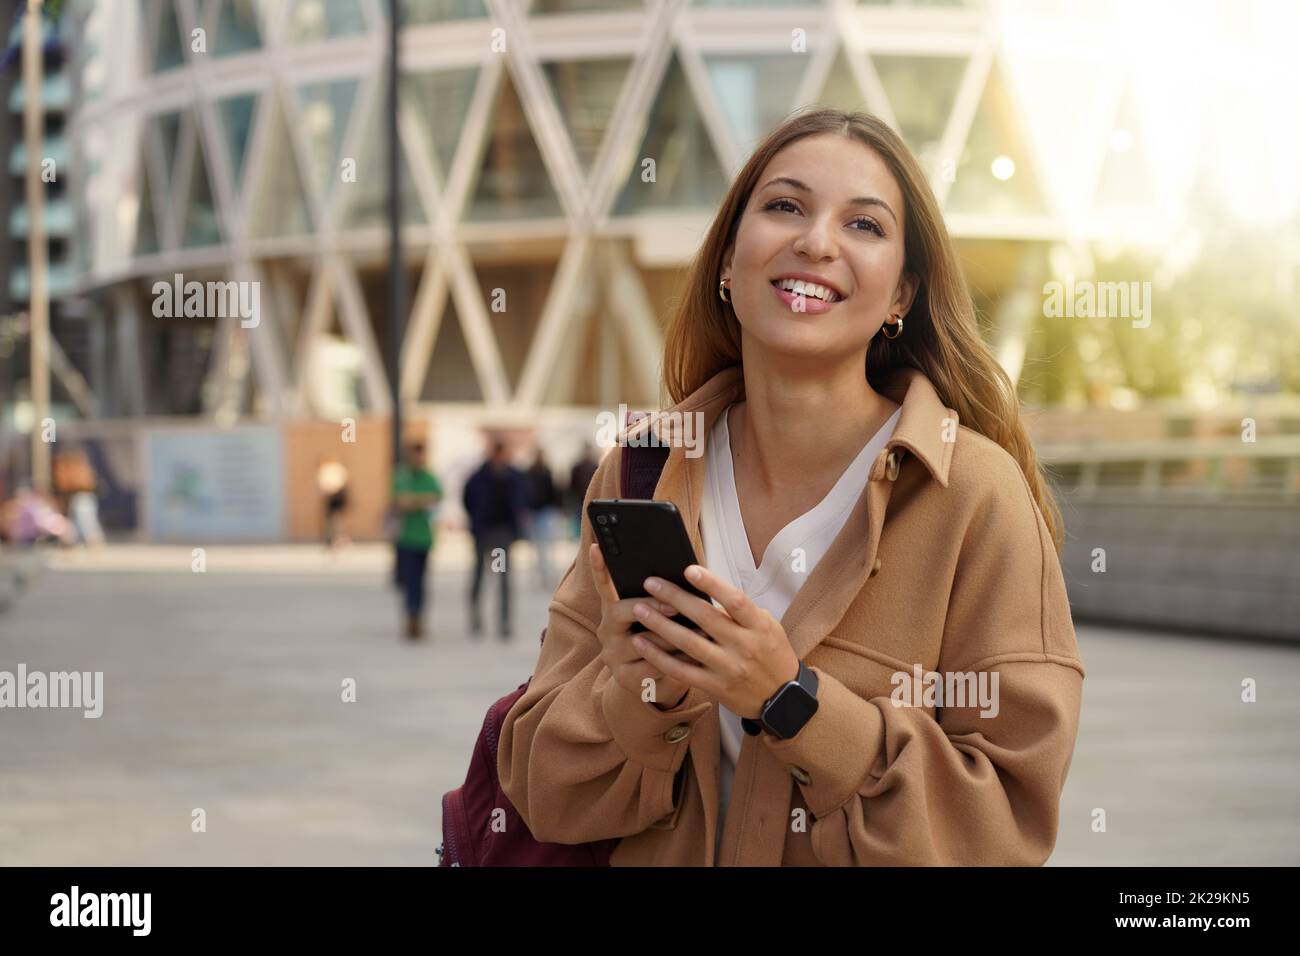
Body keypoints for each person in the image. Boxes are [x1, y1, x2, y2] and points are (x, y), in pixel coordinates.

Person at [497, 108, 1084, 866]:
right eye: (784, 207)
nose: (816, 241)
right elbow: (545, 793)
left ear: (901, 295)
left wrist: (789, 699)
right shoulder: (644, 468)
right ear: (727, 261)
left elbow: (1003, 824)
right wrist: (640, 693)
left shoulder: (974, 493)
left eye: (864, 225)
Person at [462, 440, 528, 640]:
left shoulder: (513, 477)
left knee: (502, 577)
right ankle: (476, 617)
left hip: (502, 534)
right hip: (484, 532)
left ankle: (503, 621)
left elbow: (522, 499)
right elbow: (468, 499)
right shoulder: (479, 477)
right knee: (479, 576)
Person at [391, 441, 443, 639]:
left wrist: (412, 501)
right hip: (405, 539)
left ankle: (417, 615)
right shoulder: (401, 476)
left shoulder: (430, 477)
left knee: (420, 581)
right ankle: (411, 614)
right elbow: (399, 502)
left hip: (424, 539)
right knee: (408, 580)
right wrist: (421, 501)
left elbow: (435, 499)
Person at [524, 448, 562, 590]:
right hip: (535, 512)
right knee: (537, 547)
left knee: (546, 546)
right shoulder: (530, 472)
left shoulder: (547, 472)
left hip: (545, 512)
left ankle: (546, 576)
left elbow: (554, 491)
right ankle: (539, 576)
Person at [566, 444, 599, 539]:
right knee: (579, 524)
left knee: (588, 524)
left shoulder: (594, 466)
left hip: (589, 500)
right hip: (579, 500)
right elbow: (572, 486)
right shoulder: (577, 467)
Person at [317, 458, 350, 551]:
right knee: (333, 523)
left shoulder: (332, 473)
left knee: (335, 523)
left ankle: (338, 541)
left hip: (335, 502)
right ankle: (333, 541)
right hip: (333, 503)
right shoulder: (334, 472)